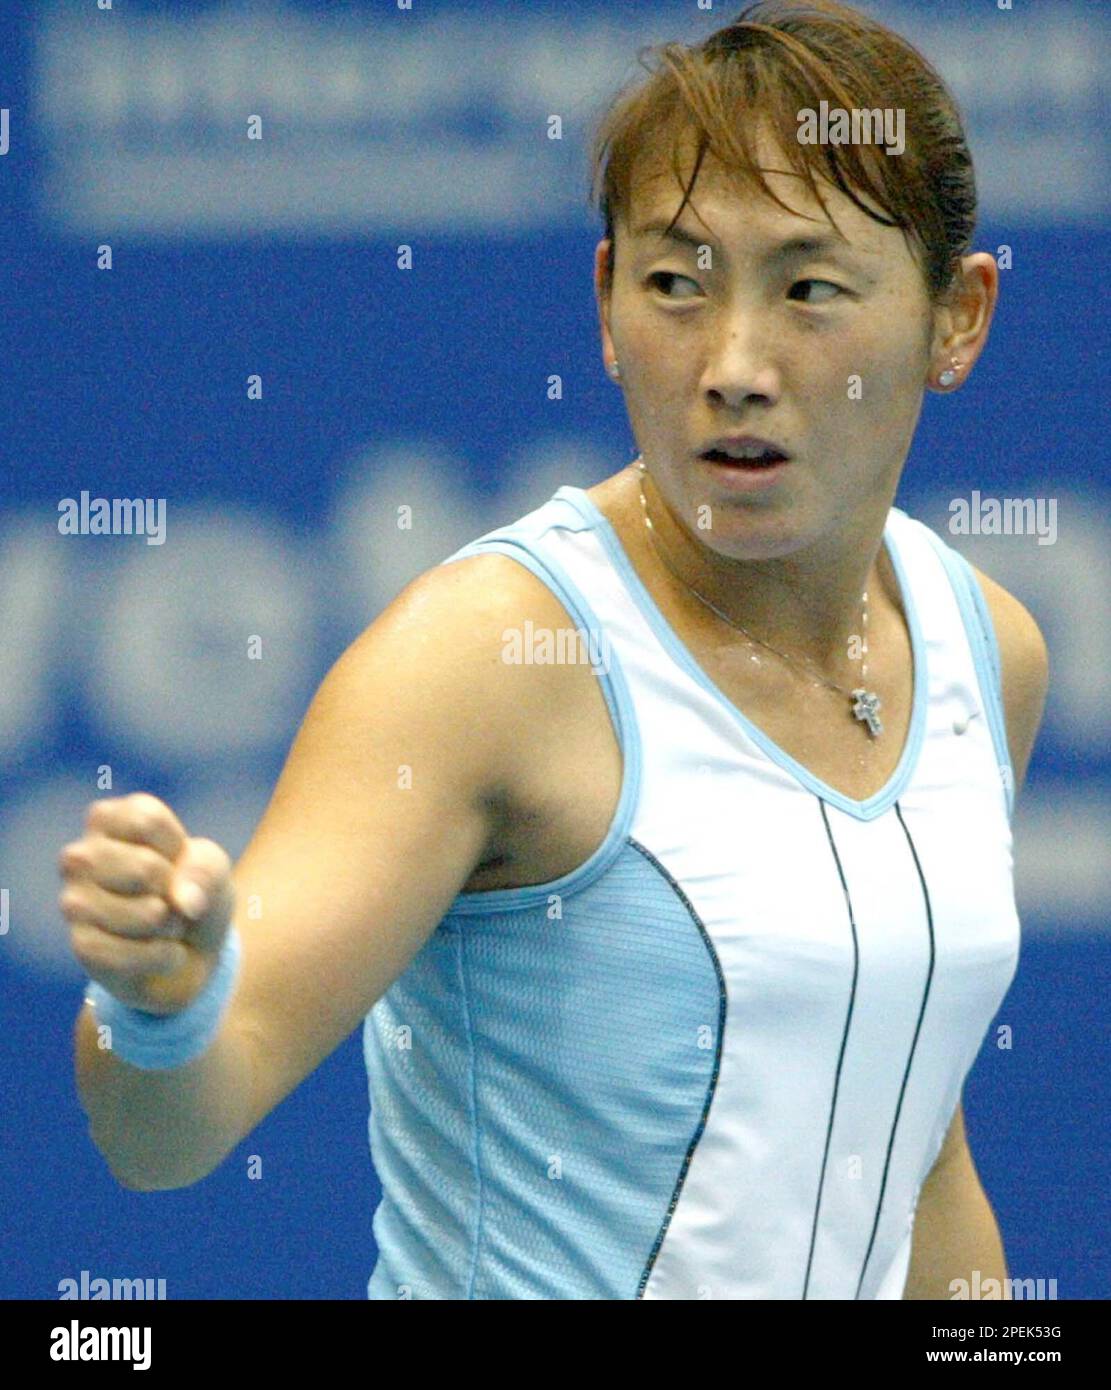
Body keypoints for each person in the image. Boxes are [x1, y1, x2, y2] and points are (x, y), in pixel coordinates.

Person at [62, 0, 1048, 1299]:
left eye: (809, 287)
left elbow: (913, 1156)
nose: (734, 364)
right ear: (604, 300)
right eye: (677, 284)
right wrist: (163, 1003)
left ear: (955, 318)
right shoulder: (482, 661)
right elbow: (173, 1128)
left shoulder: (990, 654)